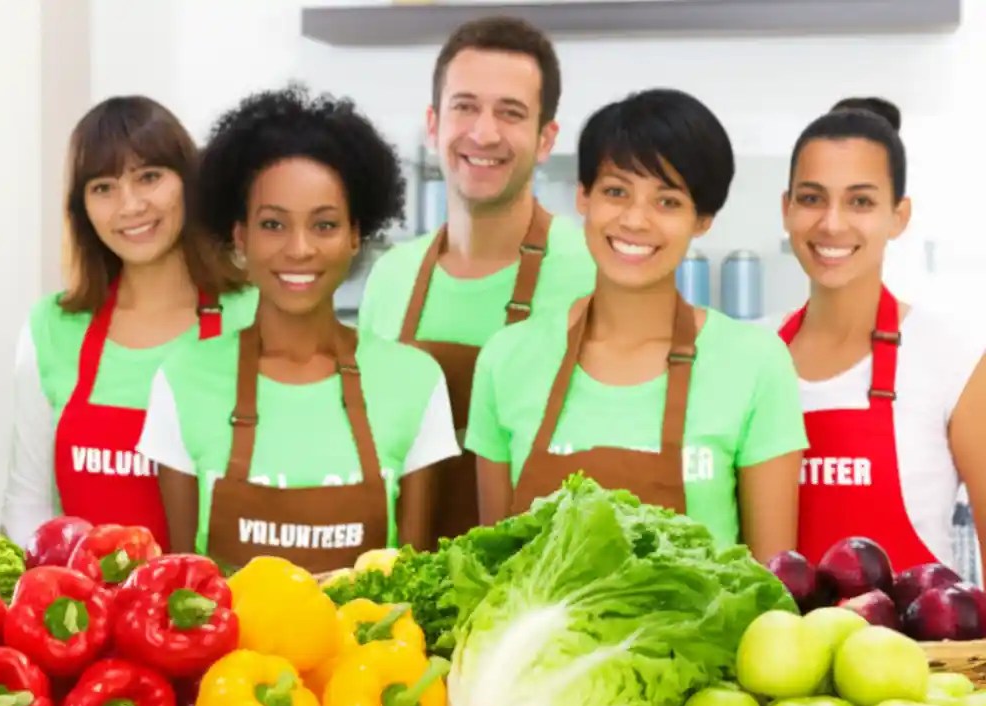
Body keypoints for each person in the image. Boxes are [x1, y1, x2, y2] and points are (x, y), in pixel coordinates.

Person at [465, 88, 807, 562]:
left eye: (668, 202)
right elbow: (494, 571)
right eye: (615, 191)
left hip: (697, 639)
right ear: (583, 197)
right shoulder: (507, 359)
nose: (635, 220)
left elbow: (773, 584)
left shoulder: (755, 364)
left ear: (702, 220)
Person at [137, 85, 460, 572]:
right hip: (231, 652)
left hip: (371, 650)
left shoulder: (415, 382)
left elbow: (409, 590)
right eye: (273, 225)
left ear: (356, 234)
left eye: (325, 225)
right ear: (240, 235)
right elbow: (186, 590)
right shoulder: (183, 379)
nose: (300, 249)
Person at [355, 16, 596, 540]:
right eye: (465, 107)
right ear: (434, 122)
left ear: (546, 136)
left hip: (534, 585)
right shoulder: (391, 277)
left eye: (510, 113)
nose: (484, 133)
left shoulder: (592, 273)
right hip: (397, 593)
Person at [0, 97, 257, 550]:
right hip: (83, 612)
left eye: (149, 177)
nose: (130, 205)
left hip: (216, 609)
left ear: (189, 182)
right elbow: (27, 506)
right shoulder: (52, 327)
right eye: (103, 187)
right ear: (82, 208)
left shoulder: (253, 316)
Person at [778, 97, 986, 573]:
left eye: (861, 201)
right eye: (811, 198)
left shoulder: (955, 359)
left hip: (920, 648)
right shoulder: (753, 352)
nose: (832, 223)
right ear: (787, 209)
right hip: (773, 647)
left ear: (899, 215)